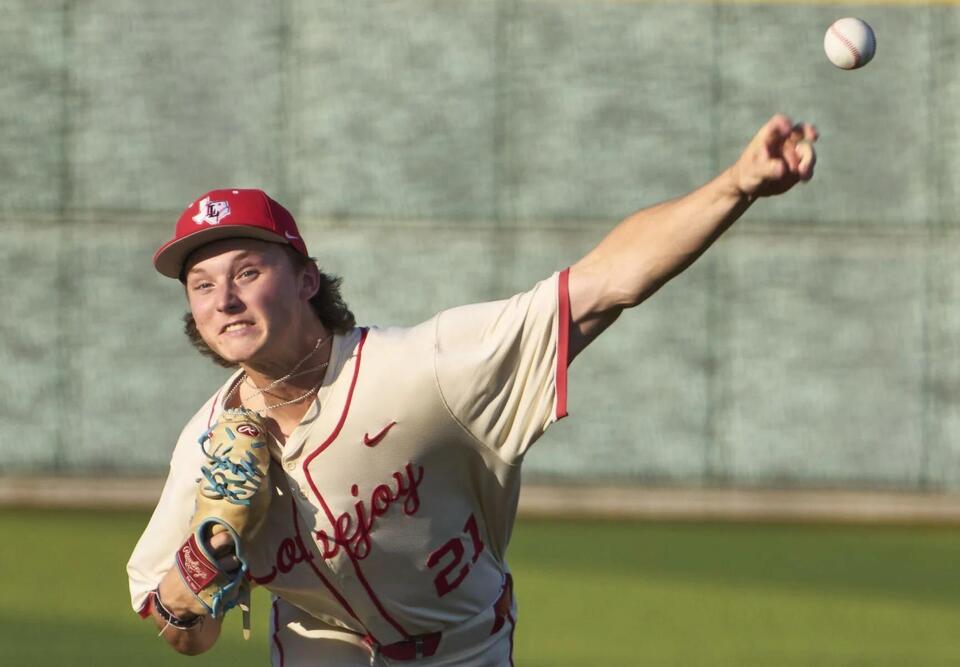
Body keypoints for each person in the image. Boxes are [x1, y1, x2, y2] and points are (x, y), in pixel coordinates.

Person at [127, 114, 817, 665]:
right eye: (202, 285)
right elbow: (183, 630)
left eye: (248, 271)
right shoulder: (203, 446)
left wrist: (738, 184)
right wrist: (204, 560)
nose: (224, 299)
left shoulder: (421, 369)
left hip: (466, 652)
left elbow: (604, 285)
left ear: (307, 279)